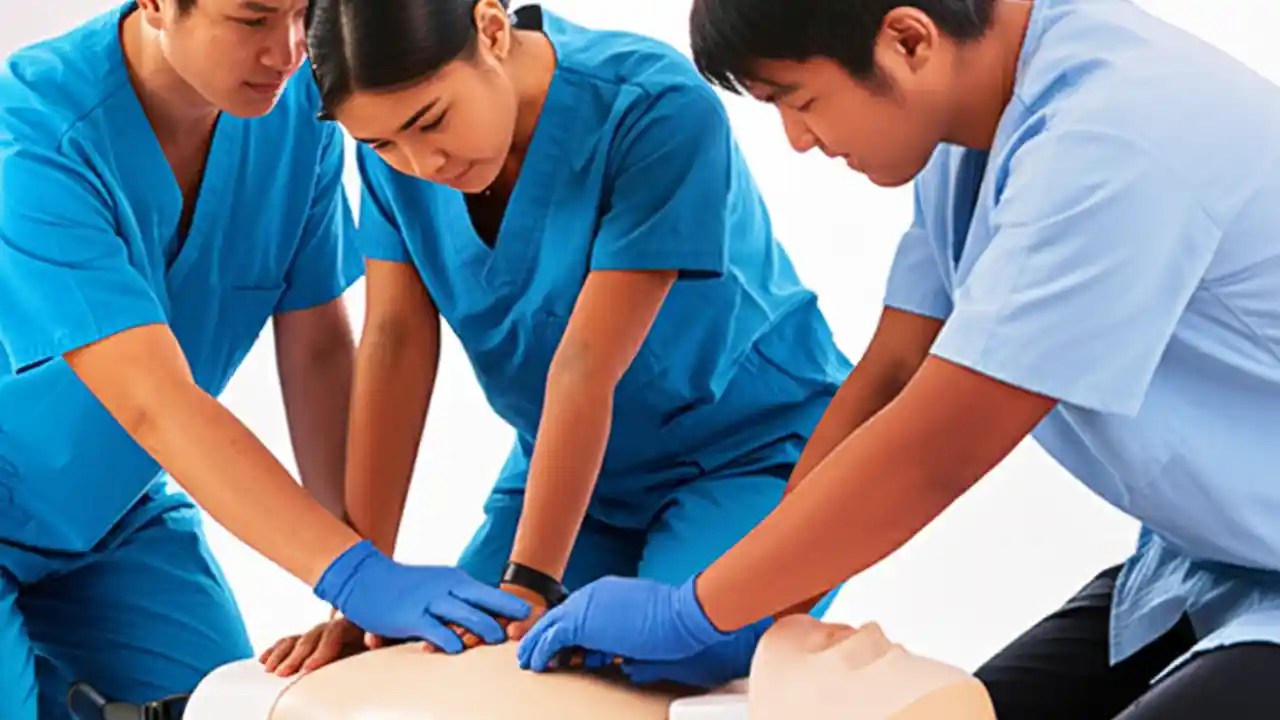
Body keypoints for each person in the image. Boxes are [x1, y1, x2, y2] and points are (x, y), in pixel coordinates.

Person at [517, 0, 1280, 716]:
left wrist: (694, 609)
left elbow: (937, 447)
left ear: (908, 40)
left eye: (798, 99)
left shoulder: (1113, 140)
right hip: (1216, 558)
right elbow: (892, 376)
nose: (797, 138)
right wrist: (753, 602)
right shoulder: (981, 124)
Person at [259, 0, 850, 681]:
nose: (422, 162)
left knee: (674, 657)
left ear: (490, 27)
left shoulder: (652, 107)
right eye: (383, 144)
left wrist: (532, 581)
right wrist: (360, 589)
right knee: (451, 660)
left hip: (750, 450)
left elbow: (585, 364)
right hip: (570, 470)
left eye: (431, 121)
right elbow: (393, 345)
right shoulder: (397, 152)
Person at [0, 1, 532, 716]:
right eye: (252, 20)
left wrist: (360, 572)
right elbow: (153, 400)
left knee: (227, 703)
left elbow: (315, 349)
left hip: (113, 516)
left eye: (301, 13)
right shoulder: (33, 141)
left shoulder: (294, 112)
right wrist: (354, 574)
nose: (286, 52)